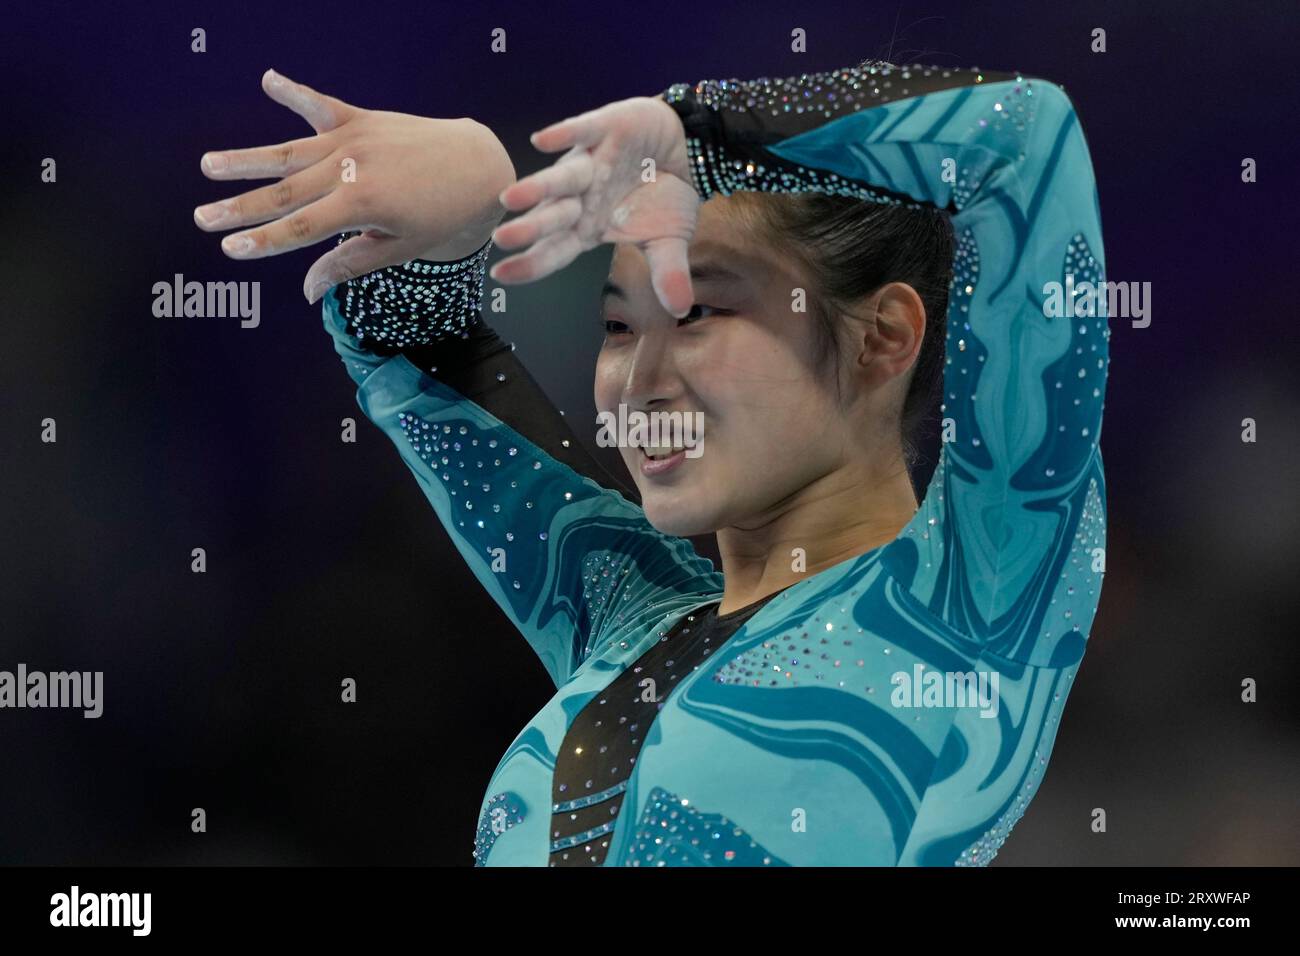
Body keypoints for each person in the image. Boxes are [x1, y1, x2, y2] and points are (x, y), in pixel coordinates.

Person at [194, 58, 1108, 866]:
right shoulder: (623, 614)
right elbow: (412, 354)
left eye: (698, 313)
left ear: (884, 338)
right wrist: (455, 218)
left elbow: (1024, 140)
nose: (638, 382)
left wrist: (697, 135)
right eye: (620, 326)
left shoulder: (974, 599)